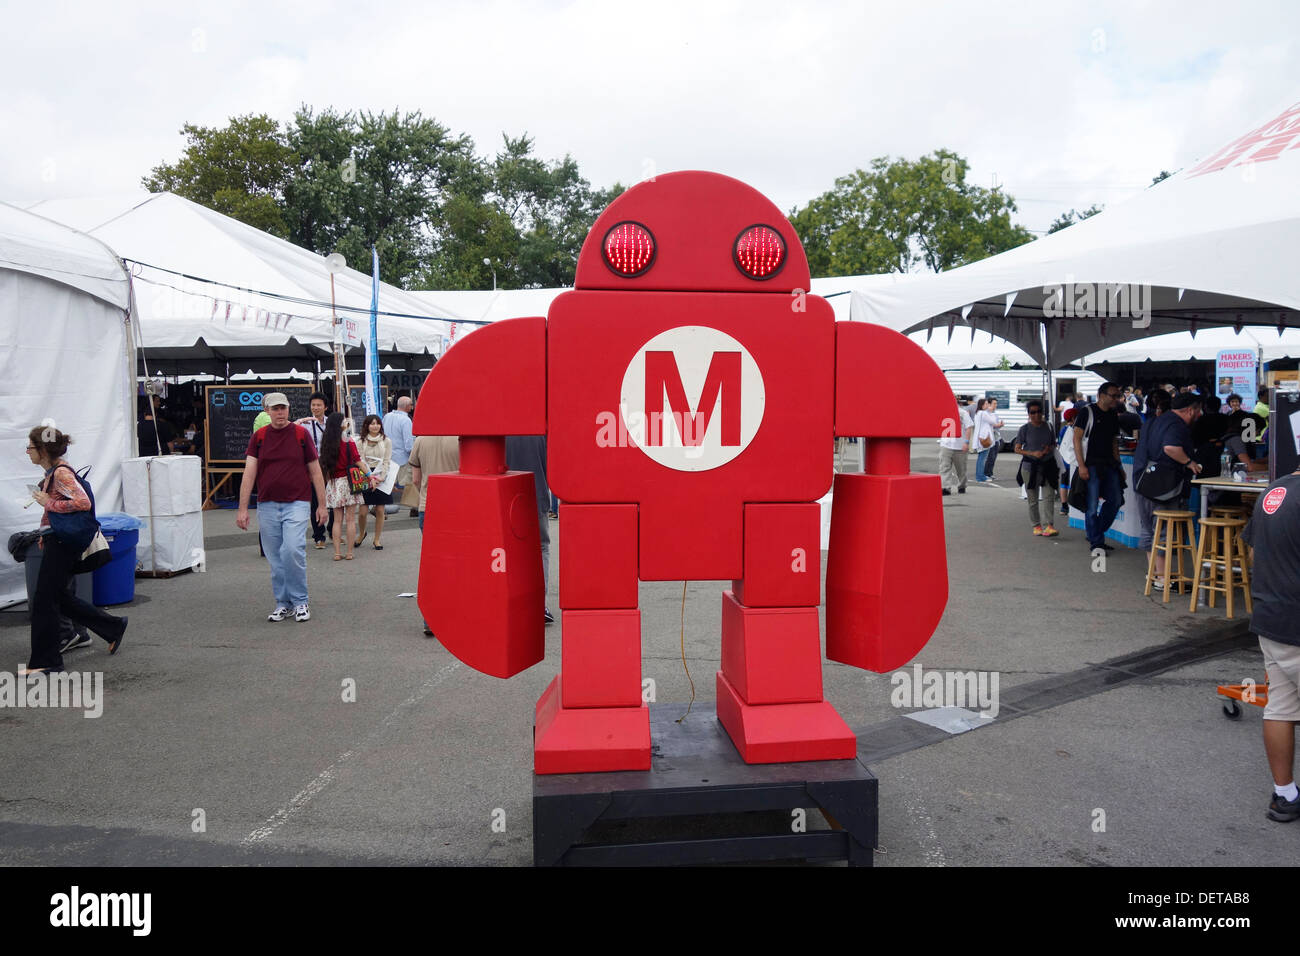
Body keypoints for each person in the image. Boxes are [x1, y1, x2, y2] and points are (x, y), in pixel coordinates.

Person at [24, 425, 128, 673]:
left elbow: (82, 502)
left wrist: (48, 503)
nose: (27, 452)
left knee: (44, 601)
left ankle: (46, 661)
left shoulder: (60, 473)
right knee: (58, 597)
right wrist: (45, 531)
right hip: (57, 540)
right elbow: (57, 509)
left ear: (42, 449)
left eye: (30, 447)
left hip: (63, 544)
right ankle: (112, 627)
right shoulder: (53, 473)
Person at [1239, 461, 1300, 822]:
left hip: (1270, 618)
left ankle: (1285, 794)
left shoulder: (1273, 491)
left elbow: (1252, 553)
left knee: (1281, 707)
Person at [237, 393, 328, 621]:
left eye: (283, 408)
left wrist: (323, 504)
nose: (280, 413)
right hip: (267, 504)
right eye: (275, 409)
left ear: (288, 410)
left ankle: (300, 601)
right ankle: (283, 602)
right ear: (267, 411)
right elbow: (249, 473)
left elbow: (315, 471)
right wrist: (242, 508)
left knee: (292, 550)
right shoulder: (259, 437)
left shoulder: (301, 434)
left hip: (297, 502)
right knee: (275, 558)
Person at [408, 433, 460, 637]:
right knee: (456, 564)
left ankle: (430, 618)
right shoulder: (460, 438)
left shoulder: (420, 440)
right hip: (456, 506)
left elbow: (415, 478)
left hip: (428, 506)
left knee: (434, 565)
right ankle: (456, 614)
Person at [1072, 381, 1126, 552]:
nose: (1116, 399)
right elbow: (1076, 438)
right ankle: (1096, 541)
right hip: (1091, 464)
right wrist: (1081, 465)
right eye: (1113, 396)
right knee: (1092, 505)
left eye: (1118, 396)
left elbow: (1114, 442)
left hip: (1109, 464)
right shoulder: (1087, 412)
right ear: (1101, 395)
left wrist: (1120, 466)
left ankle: (1095, 533)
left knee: (1116, 500)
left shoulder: (1113, 415)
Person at [506, 436, 554, 624]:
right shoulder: (541, 433)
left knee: (512, 552)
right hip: (538, 496)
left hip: (509, 499)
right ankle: (539, 604)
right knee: (542, 548)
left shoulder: (503, 431)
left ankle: (515, 602)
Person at [317, 413, 372, 561]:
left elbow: (325, 467)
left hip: (334, 483)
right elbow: (358, 461)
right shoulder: (348, 441)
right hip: (349, 482)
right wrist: (370, 475)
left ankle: (336, 553)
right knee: (350, 520)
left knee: (336, 520)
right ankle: (349, 552)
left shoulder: (326, 442)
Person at [1014, 401, 1059, 536]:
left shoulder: (1049, 427)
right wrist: (1032, 453)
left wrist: (1047, 449)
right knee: (1032, 499)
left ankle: (1049, 525)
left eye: (1039, 411)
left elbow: (1053, 444)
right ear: (1028, 414)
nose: (1036, 414)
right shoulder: (1024, 429)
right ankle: (1036, 525)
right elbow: (1017, 449)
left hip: (1048, 465)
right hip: (1030, 467)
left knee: (1049, 496)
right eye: (1032, 412)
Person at [355, 414, 392, 550]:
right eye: (372, 423)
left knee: (380, 510)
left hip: (381, 475)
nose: (375, 426)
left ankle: (377, 539)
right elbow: (360, 460)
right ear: (366, 425)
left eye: (377, 423)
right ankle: (362, 533)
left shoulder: (386, 440)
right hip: (365, 474)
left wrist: (382, 476)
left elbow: (387, 460)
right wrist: (370, 476)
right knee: (363, 511)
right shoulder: (360, 441)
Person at [384, 396, 415, 516]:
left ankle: (381, 507)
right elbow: (408, 443)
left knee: (387, 484)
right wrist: (414, 456)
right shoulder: (406, 420)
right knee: (410, 483)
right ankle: (414, 507)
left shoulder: (387, 416)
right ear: (408, 406)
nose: (412, 407)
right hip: (402, 457)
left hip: (389, 455)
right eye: (411, 405)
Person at [938, 400, 972, 496]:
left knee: (961, 469)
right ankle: (945, 487)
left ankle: (962, 486)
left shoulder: (963, 413)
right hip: (946, 444)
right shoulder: (943, 412)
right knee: (944, 467)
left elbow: (969, 427)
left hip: (959, 445)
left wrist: (966, 442)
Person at [975, 398, 1004, 483]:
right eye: (986, 404)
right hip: (983, 438)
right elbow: (993, 422)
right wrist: (1000, 423)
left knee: (982, 458)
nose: (988, 406)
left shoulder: (979, 413)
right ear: (982, 405)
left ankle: (981, 476)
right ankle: (980, 477)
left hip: (981, 438)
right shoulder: (983, 413)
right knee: (982, 458)